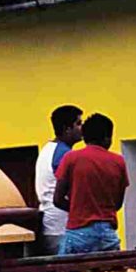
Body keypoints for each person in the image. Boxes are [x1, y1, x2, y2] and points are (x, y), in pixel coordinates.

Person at [53, 113, 129, 256]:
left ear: (85, 136)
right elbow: (118, 203)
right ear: (107, 137)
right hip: (107, 233)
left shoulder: (71, 158)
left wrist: (78, 208)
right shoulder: (118, 161)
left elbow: (57, 199)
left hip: (79, 231)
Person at [34, 104, 85, 251]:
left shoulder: (48, 149)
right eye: (78, 124)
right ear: (67, 129)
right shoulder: (63, 154)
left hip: (51, 225)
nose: (82, 128)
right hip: (61, 226)